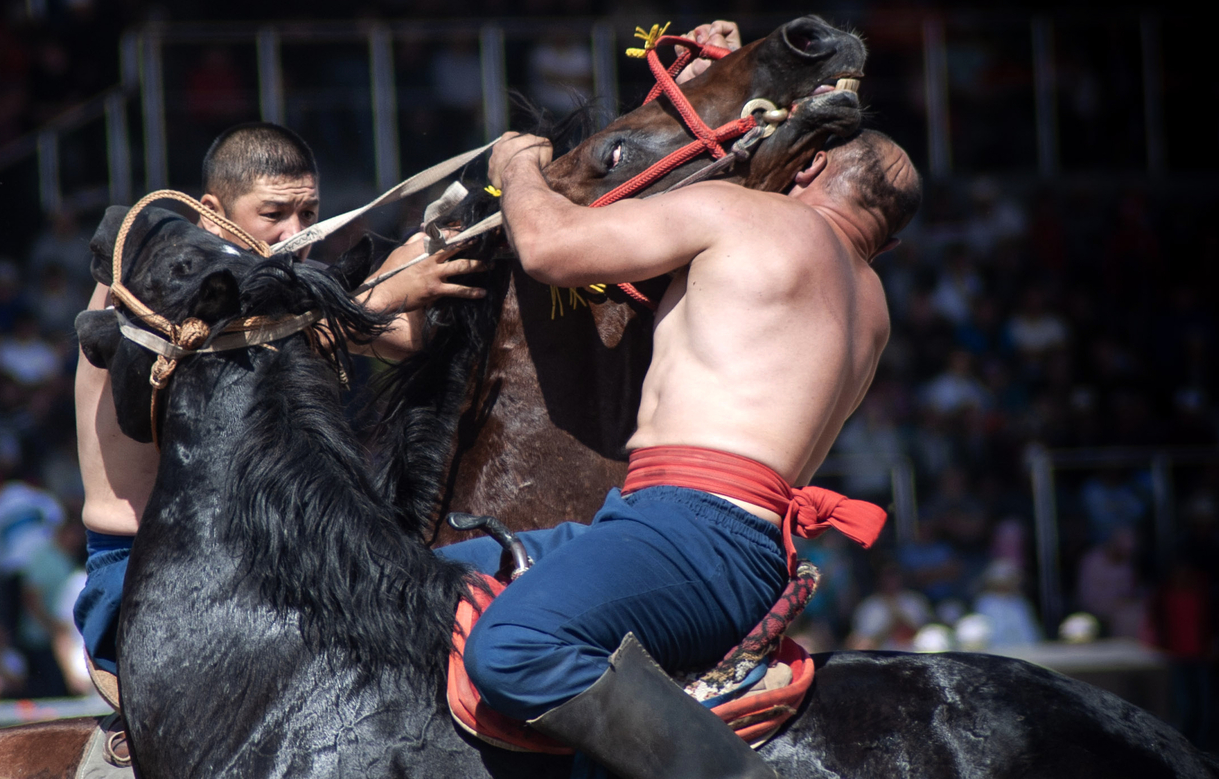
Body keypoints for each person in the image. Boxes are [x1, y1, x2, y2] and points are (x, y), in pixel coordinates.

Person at [441, 61, 921, 775]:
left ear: (810, 162)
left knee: (514, 645)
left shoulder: (745, 214)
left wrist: (517, 168)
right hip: (706, 535)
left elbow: (547, 248)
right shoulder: (875, 305)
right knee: (421, 580)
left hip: (695, 535)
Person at [74, 122, 486, 679]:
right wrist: (373, 296)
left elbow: (400, 334)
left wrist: (433, 253)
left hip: (262, 558)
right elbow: (242, 340)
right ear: (211, 211)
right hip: (144, 572)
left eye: (309, 215)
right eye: (274, 215)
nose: (298, 232)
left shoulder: (284, 286)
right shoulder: (145, 272)